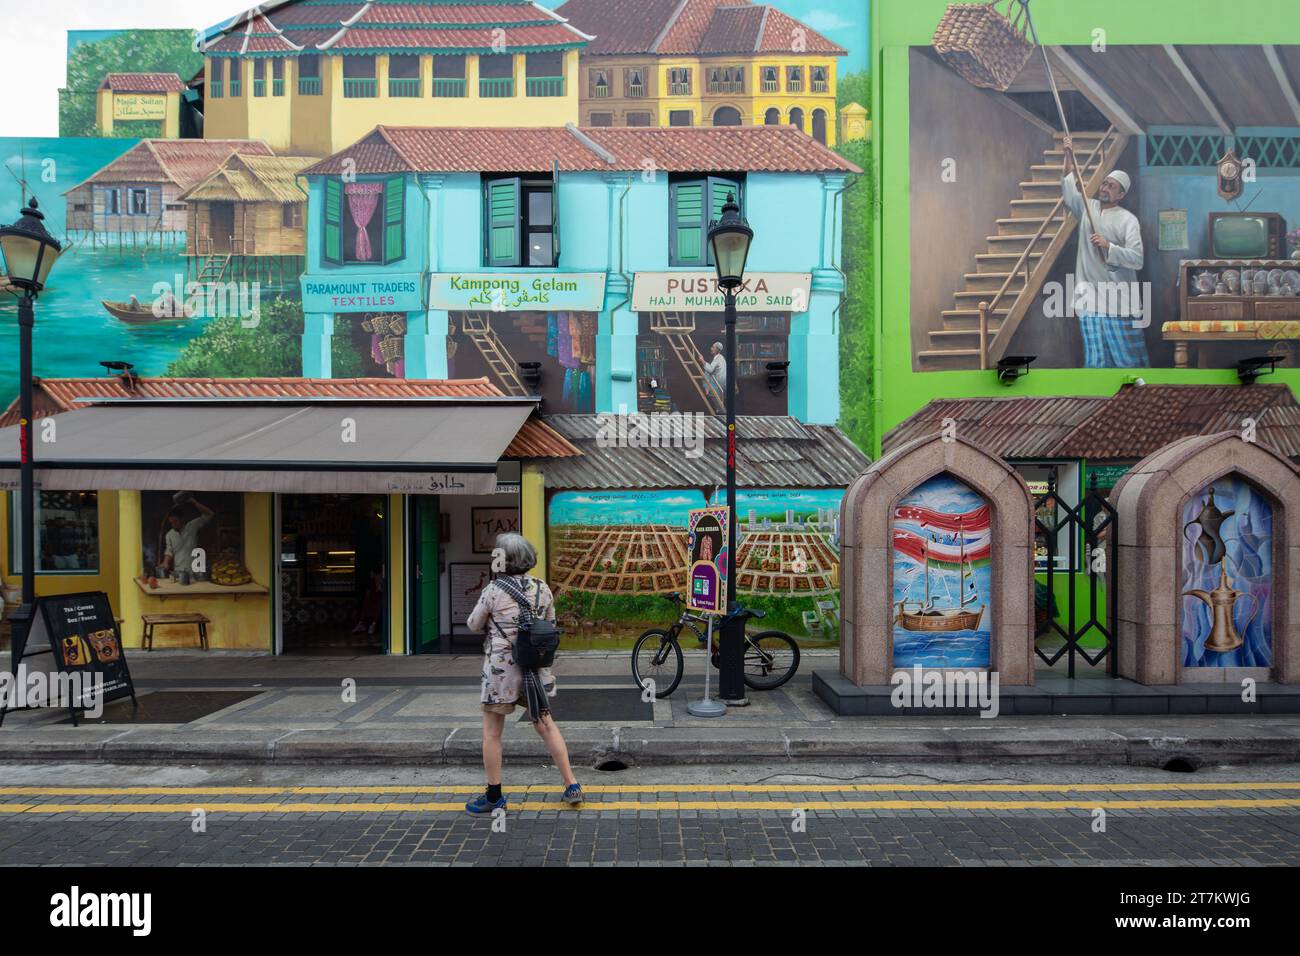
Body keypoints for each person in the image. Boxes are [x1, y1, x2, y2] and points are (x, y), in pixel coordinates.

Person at [464, 532, 582, 813]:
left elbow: (472, 624)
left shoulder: (493, 590)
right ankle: (571, 785)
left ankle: (494, 797)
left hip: (501, 670)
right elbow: (550, 625)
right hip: (534, 667)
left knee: (492, 734)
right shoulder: (542, 588)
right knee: (546, 725)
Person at [1062, 137, 1148, 368]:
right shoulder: (1088, 208)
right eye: (1104, 184)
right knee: (1096, 360)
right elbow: (1070, 192)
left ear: (1121, 194)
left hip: (1118, 301)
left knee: (1128, 362)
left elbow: (1137, 259)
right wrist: (1068, 157)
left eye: (1112, 186)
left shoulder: (1128, 220)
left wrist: (1109, 247)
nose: (1105, 188)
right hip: (1090, 298)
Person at [163, 497, 214, 584]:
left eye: (175, 521)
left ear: (182, 519)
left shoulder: (192, 526)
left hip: (195, 574)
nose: (173, 525)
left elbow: (210, 514)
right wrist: (165, 563)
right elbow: (169, 551)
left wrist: (194, 502)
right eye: (171, 523)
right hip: (179, 574)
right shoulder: (169, 535)